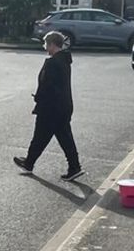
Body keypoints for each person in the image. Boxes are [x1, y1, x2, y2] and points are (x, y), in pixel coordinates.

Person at [13, 31, 83, 181]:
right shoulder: (65, 60)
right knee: (63, 137)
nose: (45, 47)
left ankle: (29, 163)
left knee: (40, 137)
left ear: (52, 44)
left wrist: (39, 98)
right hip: (63, 105)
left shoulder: (52, 63)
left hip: (51, 108)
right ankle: (73, 166)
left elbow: (46, 85)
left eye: (46, 44)